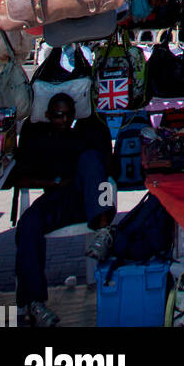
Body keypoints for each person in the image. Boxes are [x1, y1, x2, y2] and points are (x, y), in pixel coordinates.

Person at [14, 92, 116, 327]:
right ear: (49, 115)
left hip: (85, 200)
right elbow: (19, 179)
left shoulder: (81, 136)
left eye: (69, 115)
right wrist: (53, 183)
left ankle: (103, 230)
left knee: (93, 159)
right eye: (59, 115)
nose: (65, 120)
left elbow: (107, 172)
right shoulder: (39, 140)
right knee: (27, 225)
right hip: (55, 198)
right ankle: (34, 302)